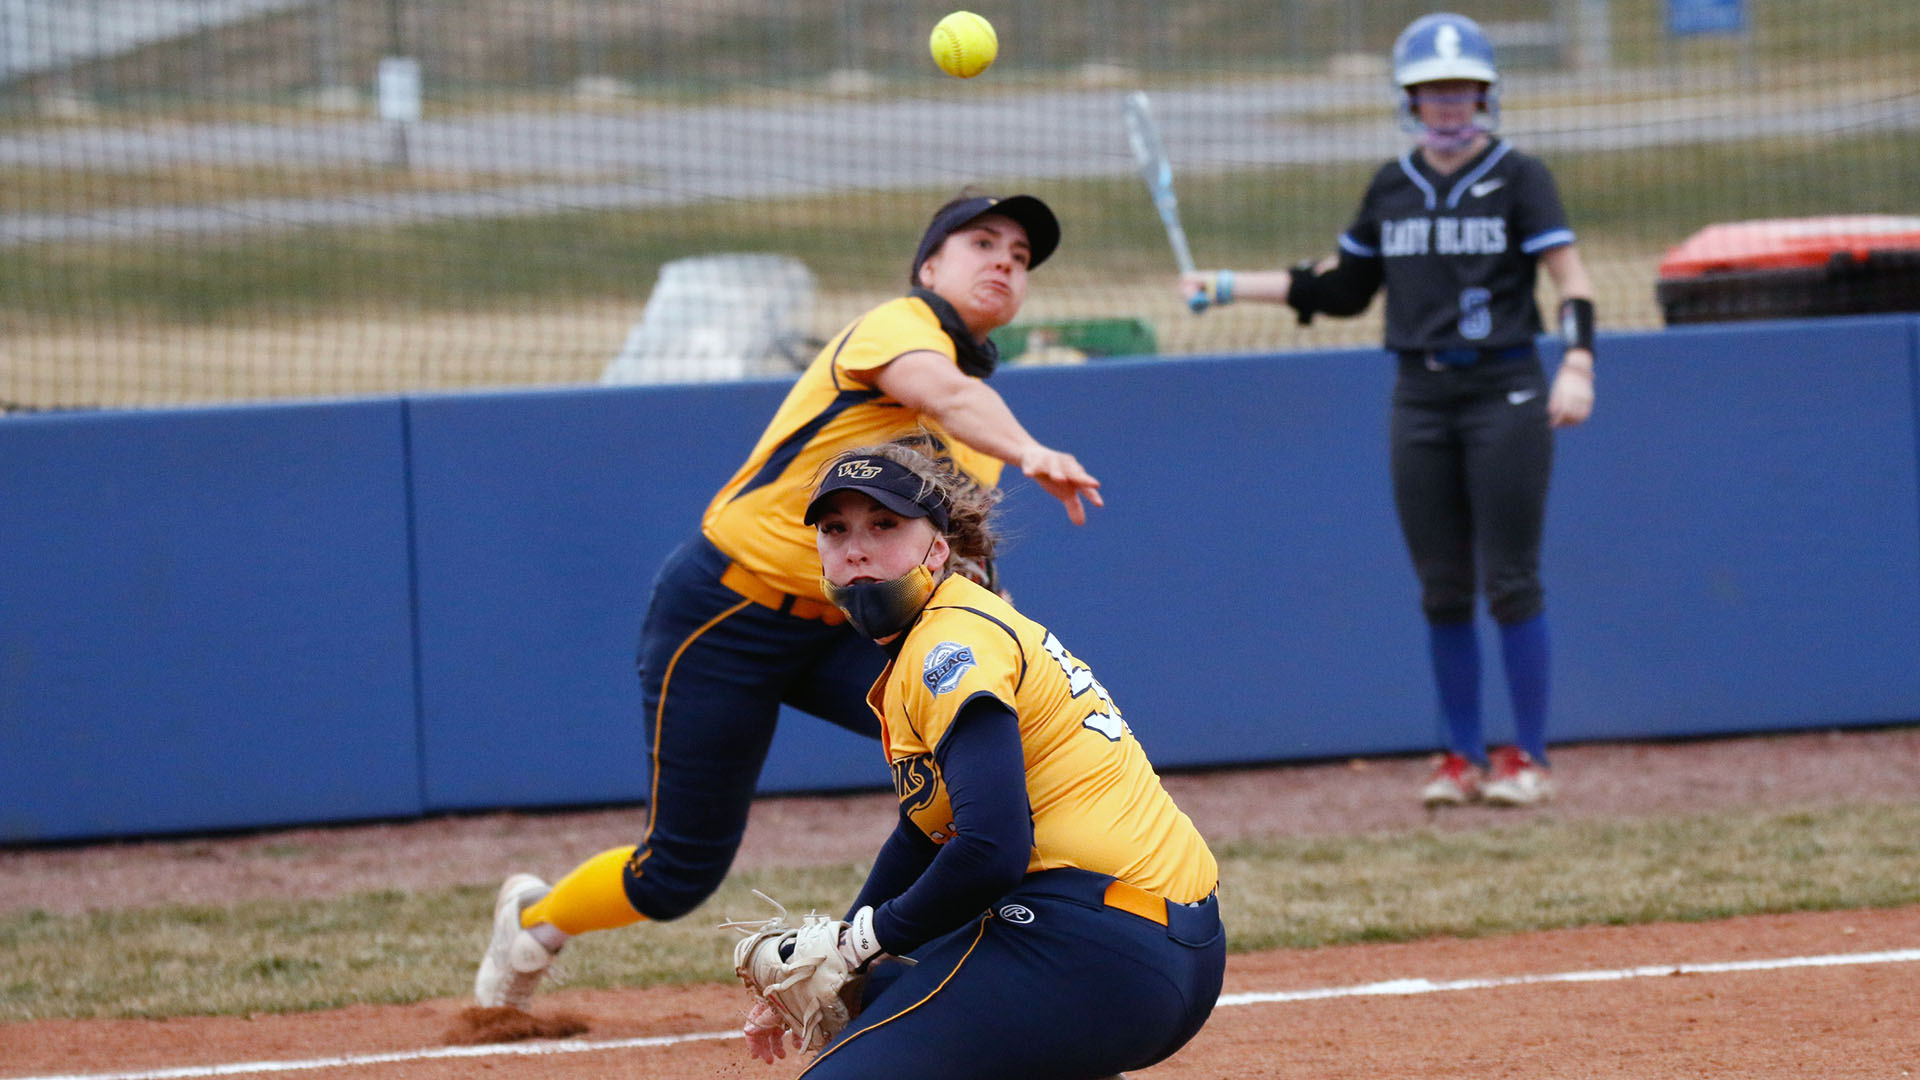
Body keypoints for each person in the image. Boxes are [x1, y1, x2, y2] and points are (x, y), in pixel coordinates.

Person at [474, 191, 1105, 1009]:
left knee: (985, 761)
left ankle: (853, 970)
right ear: (928, 266)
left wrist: (1015, 647)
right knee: (677, 873)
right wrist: (1029, 450)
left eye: (1020, 257)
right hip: (727, 614)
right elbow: (946, 394)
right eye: (982, 242)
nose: (1003, 263)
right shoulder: (899, 329)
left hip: (854, 627)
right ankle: (534, 922)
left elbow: (963, 572)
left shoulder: (973, 439)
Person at [1180, 12, 1596, 809]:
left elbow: (1570, 280)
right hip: (1420, 394)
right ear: (1410, 100)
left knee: (1509, 580)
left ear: (1486, 95)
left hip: (1505, 387)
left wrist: (1578, 364)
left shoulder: (1520, 176)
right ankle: (1459, 757)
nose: (1448, 104)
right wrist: (1228, 284)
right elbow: (1342, 288)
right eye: (1432, 91)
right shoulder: (1393, 184)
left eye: (1462, 90)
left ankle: (1530, 759)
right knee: (1442, 586)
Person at [738, 440, 1222, 1078]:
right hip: (1153, 950)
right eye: (836, 529)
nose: (856, 547)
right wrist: (845, 958)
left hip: (1094, 948)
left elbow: (991, 850)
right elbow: (924, 836)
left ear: (936, 550)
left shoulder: (950, 646)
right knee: (877, 1002)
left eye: (885, 525)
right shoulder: (952, 628)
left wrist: (858, 941)